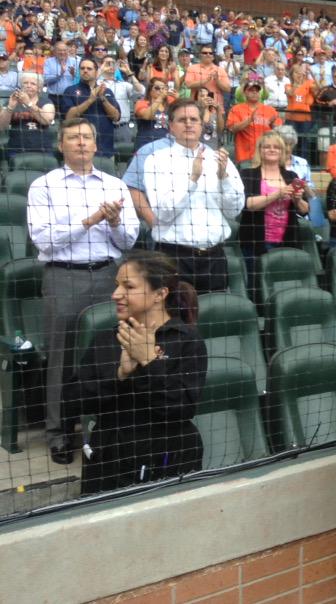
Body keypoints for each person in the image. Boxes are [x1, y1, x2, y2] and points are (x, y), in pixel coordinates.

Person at [27, 118, 139, 465]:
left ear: (96, 144)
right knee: (62, 356)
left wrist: (116, 223)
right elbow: (42, 238)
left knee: (110, 352)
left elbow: (129, 241)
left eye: (87, 137)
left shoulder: (114, 184)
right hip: (64, 277)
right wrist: (90, 221)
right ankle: (59, 433)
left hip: (108, 276)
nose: (81, 143)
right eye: (74, 137)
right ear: (61, 145)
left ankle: (103, 427)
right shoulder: (44, 186)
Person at [73, 251, 206, 495]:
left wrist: (149, 361)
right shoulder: (106, 338)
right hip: (109, 460)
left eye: (128, 286)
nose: (116, 295)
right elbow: (72, 401)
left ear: (160, 294)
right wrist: (120, 376)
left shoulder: (186, 340)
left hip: (169, 459)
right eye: (116, 286)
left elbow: (181, 408)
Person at [143, 99, 245, 294]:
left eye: (194, 119)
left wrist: (223, 178)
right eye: (182, 119)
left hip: (214, 258)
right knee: (176, 321)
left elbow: (234, 211)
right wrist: (192, 179)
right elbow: (163, 213)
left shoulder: (220, 159)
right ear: (171, 126)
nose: (188, 124)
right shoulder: (156, 160)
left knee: (214, 320)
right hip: (173, 258)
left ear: (201, 124)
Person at [238, 132, 309, 295]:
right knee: (258, 287)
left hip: (287, 240)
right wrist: (277, 194)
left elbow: (304, 209)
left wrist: (297, 199)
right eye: (267, 146)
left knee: (287, 285)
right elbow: (248, 204)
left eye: (276, 147)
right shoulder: (248, 174)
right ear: (259, 150)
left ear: (283, 151)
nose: (272, 150)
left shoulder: (291, 176)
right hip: (255, 241)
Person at [55, 57, 121, 158]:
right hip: (79, 149)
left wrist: (102, 98)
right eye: (82, 68)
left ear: (96, 72)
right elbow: (68, 117)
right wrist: (90, 100)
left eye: (89, 69)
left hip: (105, 149)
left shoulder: (106, 91)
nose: (85, 71)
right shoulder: (70, 90)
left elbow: (116, 116)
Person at [227, 78, 283, 164]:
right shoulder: (236, 109)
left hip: (266, 157)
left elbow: (280, 132)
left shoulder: (270, 110)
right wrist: (249, 120)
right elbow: (232, 128)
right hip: (245, 157)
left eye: (257, 90)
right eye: (251, 90)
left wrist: (272, 125)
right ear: (245, 92)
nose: (254, 92)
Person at [0, 72, 56, 156]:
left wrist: (28, 103)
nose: (28, 85)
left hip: (43, 148)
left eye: (33, 83)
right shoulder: (12, 101)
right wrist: (10, 107)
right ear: (21, 86)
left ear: (39, 88)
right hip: (16, 149)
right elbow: (2, 126)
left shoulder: (46, 102)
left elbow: (47, 120)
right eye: (25, 83)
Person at [133, 80, 175, 150]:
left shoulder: (169, 106)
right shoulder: (142, 103)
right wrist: (160, 98)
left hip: (165, 145)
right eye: (157, 88)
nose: (161, 91)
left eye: (163, 88)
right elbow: (147, 116)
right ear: (150, 90)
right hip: (145, 144)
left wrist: (178, 98)